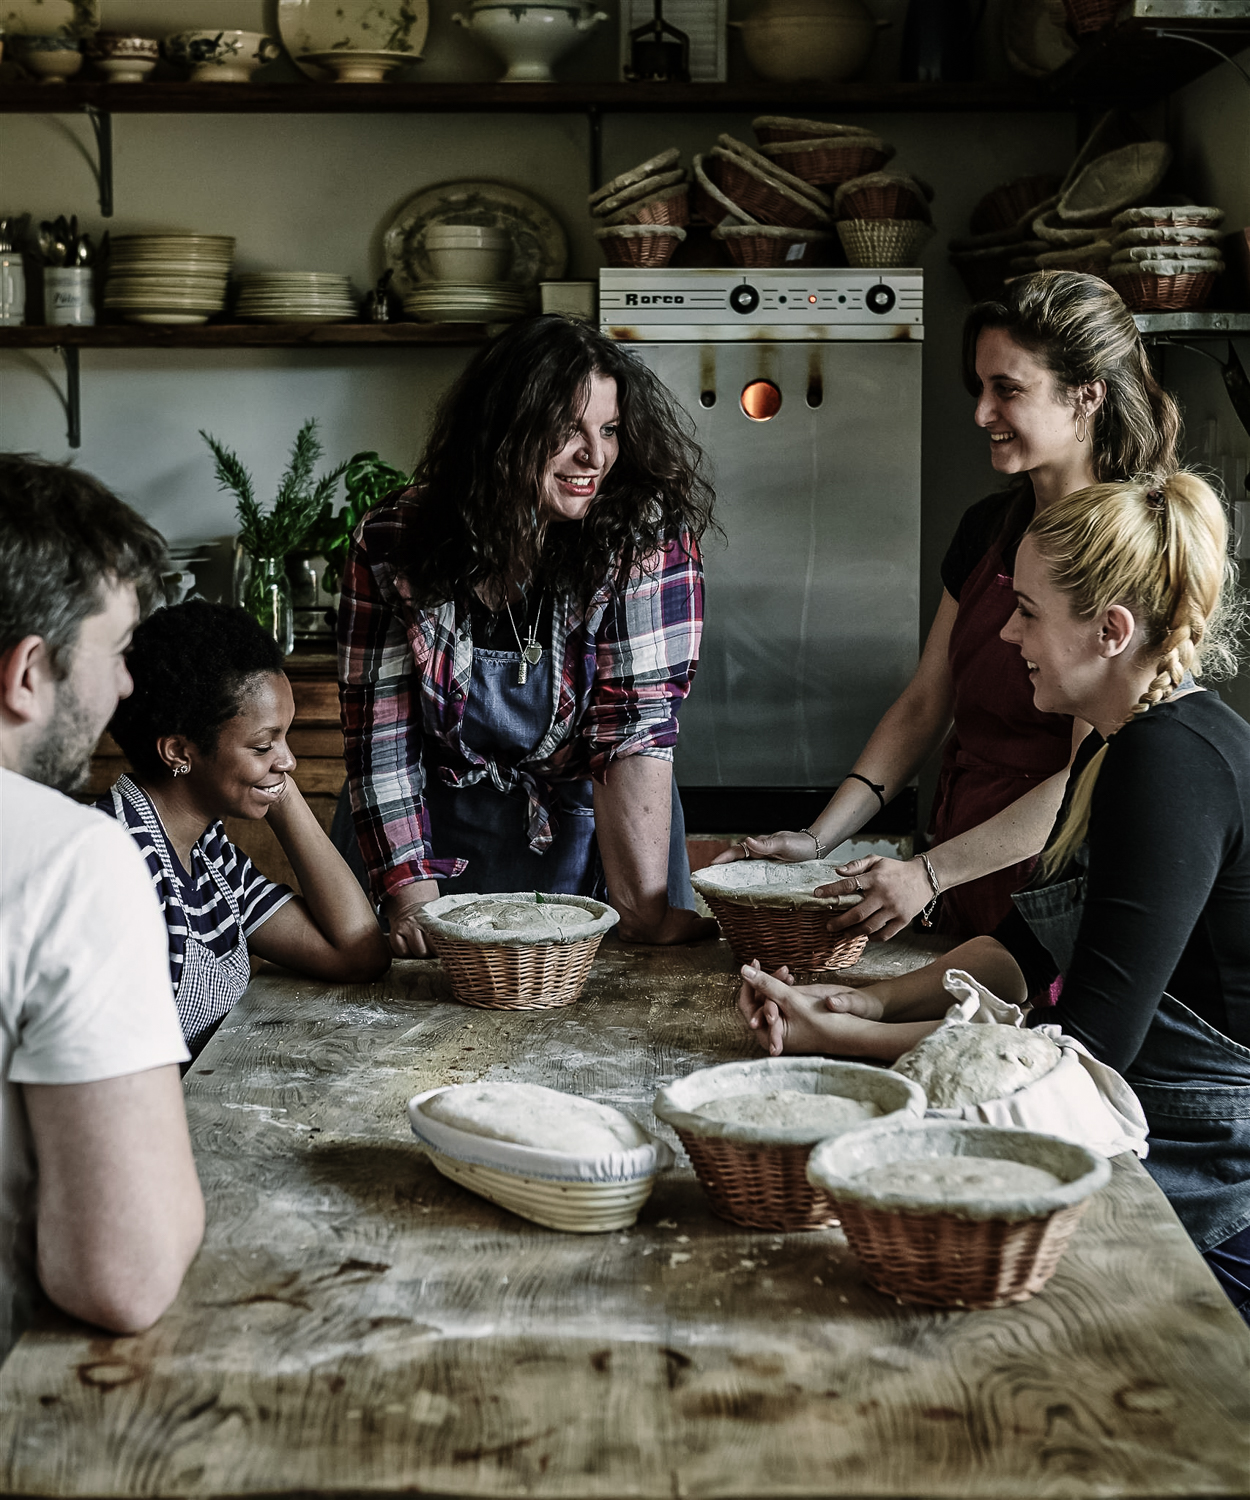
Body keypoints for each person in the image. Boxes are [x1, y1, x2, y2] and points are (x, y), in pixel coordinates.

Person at [736, 471, 1250, 1323]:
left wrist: (861, 1043)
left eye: (1030, 613)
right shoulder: (1121, 748)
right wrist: (867, 996)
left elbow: (1079, 1059)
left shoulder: (1170, 767)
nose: (1008, 634)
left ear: (1111, 631)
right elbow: (1026, 948)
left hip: (1210, 1191)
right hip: (1149, 1132)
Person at [717, 271, 1181, 947]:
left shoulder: (1131, 553)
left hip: (1054, 886)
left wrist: (928, 874)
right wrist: (818, 838)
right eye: (981, 387)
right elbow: (927, 702)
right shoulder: (988, 528)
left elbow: (1083, 780)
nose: (981, 414)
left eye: (1008, 390)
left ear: (1087, 396)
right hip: (962, 863)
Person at [336, 314, 717, 956]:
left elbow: (634, 734)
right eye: (569, 429)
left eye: (610, 430)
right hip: (424, 834)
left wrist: (642, 915)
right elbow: (380, 737)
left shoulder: (644, 543)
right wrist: (410, 898)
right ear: (501, 432)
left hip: (601, 832)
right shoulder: (395, 540)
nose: (595, 457)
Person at [0, 454, 204, 1355]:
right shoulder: (71, 860)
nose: (124, 687)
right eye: (116, 653)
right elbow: (123, 1274)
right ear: (27, 673)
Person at [103, 600, 391, 1059]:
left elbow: (358, 952)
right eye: (263, 744)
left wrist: (279, 789)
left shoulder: (206, 851)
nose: (289, 760)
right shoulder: (118, 862)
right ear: (179, 751)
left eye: (286, 737)